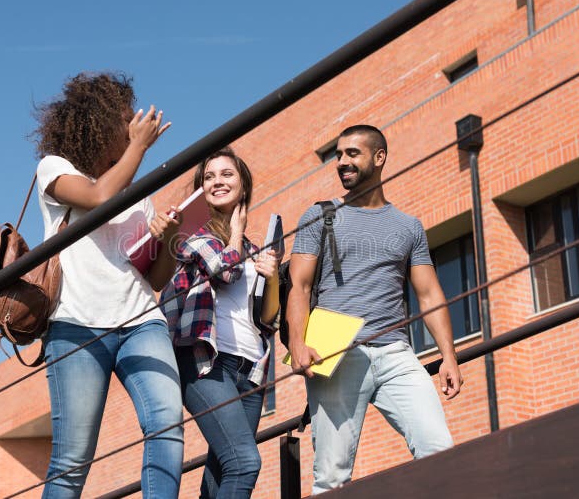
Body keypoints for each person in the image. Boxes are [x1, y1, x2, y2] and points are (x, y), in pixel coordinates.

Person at [286, 124, 463, 494]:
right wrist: (298, 344)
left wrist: (449, 356)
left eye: (352, 153)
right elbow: (299, 287)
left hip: (397, 353)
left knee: (440, 451)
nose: (342, 162)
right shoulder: (319, 215)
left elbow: (429, 294)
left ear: (379, 158)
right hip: (337, 356)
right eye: (338, 155)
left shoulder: (409, 227)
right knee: (332, 477)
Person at [32, 72, 184, 498]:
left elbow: (154, 279)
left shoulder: (138, 191)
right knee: (72, 460)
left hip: (140, 321)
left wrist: (169, 237)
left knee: (167, 425)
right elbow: (98, 197)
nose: (134, 125)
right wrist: (139, 148)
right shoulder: (55, 169)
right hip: (76, 326)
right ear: (98, 125)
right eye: (125, 120)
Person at [160, 147, 281, 498]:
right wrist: (236, 230)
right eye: (209, 177)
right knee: (245, 463)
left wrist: (271, 278)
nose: (218, 181)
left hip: (251, 369)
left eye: (227, 174)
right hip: (206, 363)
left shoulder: (255, 249)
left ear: (243, 185)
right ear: (201, 190)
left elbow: (268, 318)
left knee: (219, 476)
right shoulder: (193, 237)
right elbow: (225, 271)